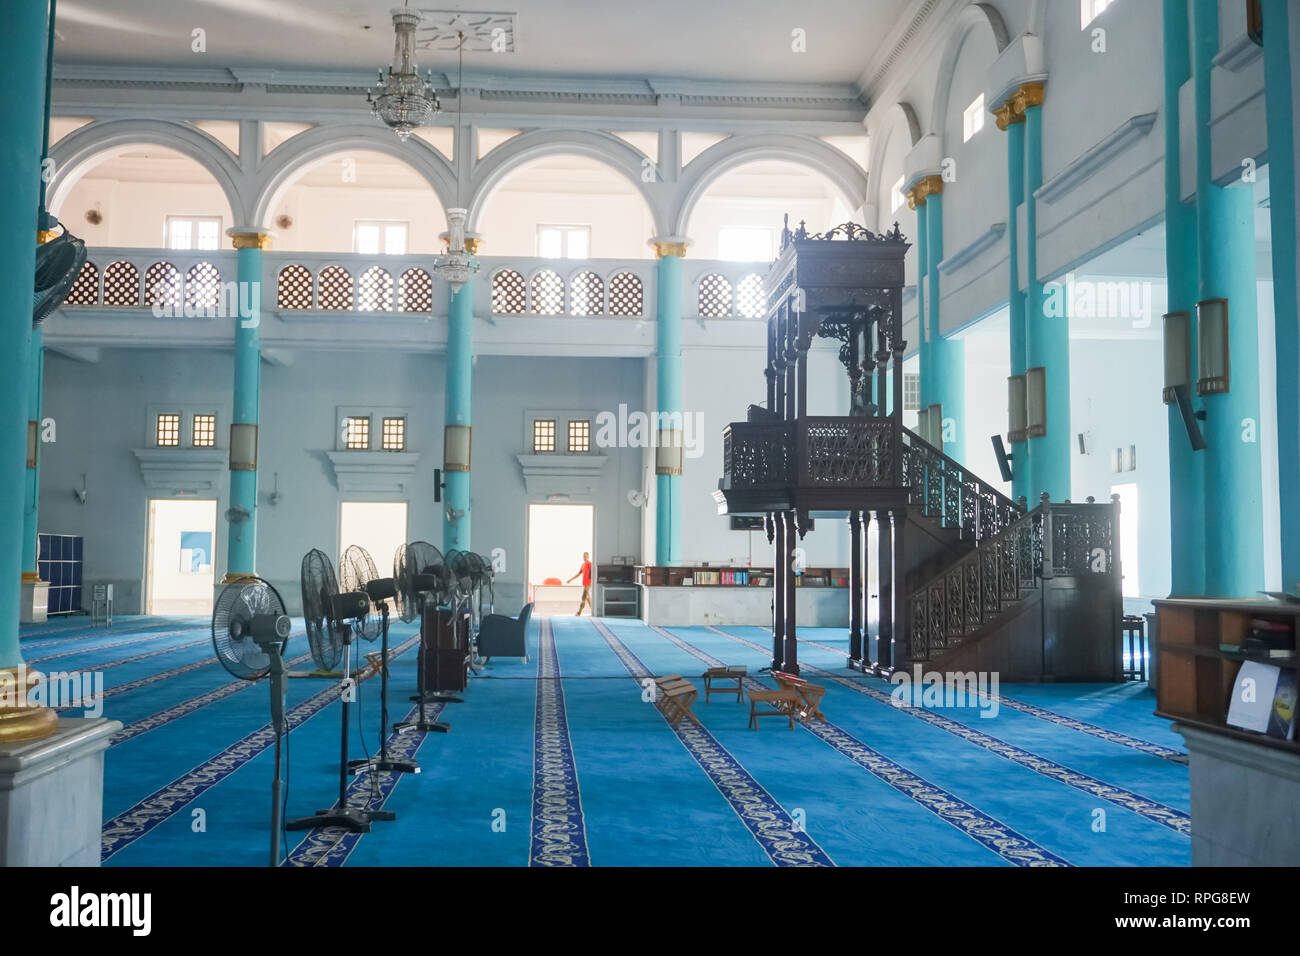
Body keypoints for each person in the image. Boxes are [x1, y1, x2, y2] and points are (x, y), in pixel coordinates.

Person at [566, 552, 593, 616]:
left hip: (588, 584)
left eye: (586, 556)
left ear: (588, 557)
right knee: (588, 598)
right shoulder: (583, 564)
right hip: (584, 583)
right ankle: (594, 611)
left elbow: (593, 574)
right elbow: (579, 574)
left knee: (583, 597)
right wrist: (570, 579)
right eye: (584, 556)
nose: (585, 557)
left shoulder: (590, 564)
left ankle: (579, 612)